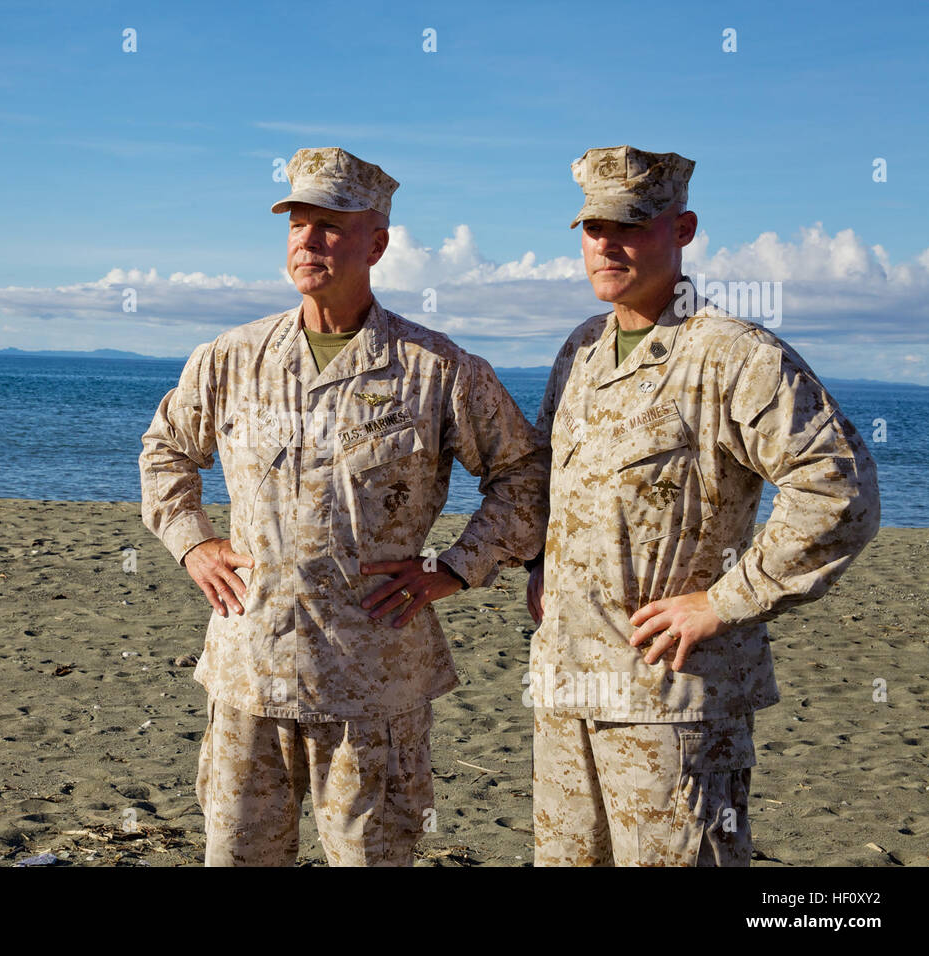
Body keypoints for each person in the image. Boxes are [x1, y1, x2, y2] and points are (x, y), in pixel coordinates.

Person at [140, 146, 548, 866]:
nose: (308, 241)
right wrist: (192, 540)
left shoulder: (437, 369)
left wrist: (457, 569)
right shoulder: (231, 357)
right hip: (249, 673)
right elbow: (166, 450)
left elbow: (522, 474)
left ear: (378, 243)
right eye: (298, 223)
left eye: (331, 226)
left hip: (373, 686)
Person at [525, 144, 881, 866]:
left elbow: (840, 489)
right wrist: (537, 563)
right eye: (594, 228)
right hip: (566, 693)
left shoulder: (733, 354)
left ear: (682, 230)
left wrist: (724, 601)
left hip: (671, 705)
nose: (607, 243)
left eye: (632, 224)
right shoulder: (580, 352)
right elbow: (548, 482)